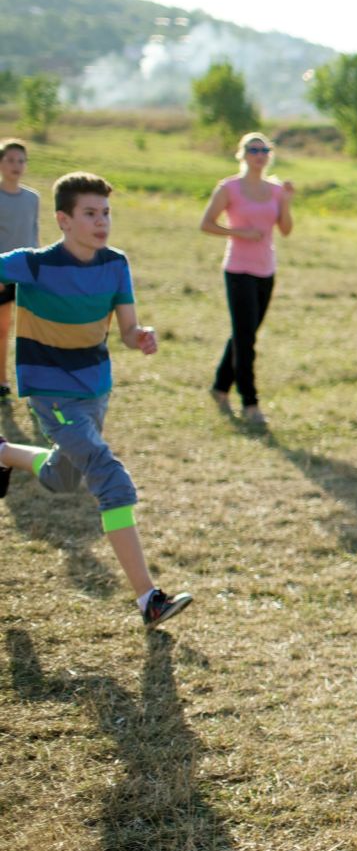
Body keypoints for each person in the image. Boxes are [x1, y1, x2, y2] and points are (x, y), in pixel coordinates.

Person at [0, 172, 190, 627]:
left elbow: (126, 329)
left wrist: (138, 336)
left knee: (66, 476)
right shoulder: (34, 264)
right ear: (63, 220)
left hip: (94, 389)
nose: (101, 221)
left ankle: (4, 454)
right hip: (50, 392)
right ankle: (149, 599)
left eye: (105, 212)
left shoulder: (116, 264)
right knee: (109, 477)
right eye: (90, 213)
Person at [198, 131, 294, 425]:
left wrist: (287, 201)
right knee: (245, 337)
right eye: (253, 149)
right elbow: (206, 224)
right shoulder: (229, 188)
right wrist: (239, 233)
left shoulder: (276, 190)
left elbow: (286, 229)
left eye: (264, 149)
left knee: (245, 332)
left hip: (266, 270)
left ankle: (219, 387)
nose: (259, 154)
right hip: (238, 269)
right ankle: (250, 403)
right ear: (242, 154)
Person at [0, 138, 40, 398]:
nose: (16, 165)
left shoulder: (32, 198)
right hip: (2, 273)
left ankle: (35, 382)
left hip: (27, 273)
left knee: (31, 330)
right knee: (2, 328)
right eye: (10, 160)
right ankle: (2, 380)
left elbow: (34, 235)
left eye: (21, 161)